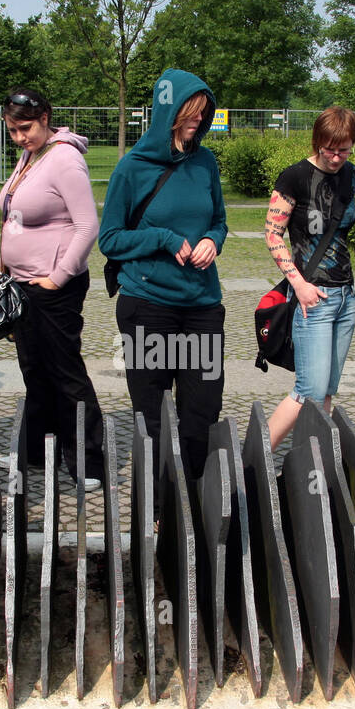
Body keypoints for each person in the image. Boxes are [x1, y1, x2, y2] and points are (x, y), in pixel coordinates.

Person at [99, 68, 227, 479]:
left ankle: (191, 503)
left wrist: (213, 239)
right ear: (167, 111)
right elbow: (110, 239)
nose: (197, 121)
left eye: (203, 114)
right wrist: (163, 239)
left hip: (201, 306)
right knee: (151, 418)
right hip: (148, 309)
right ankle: (155, 507)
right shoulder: (132, 168)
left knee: (201, 413)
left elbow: (220, 220)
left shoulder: (206, 161)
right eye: (190, 112)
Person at [0, 87, 104, 489]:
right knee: (34, 372)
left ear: (45, 118)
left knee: (64, 372)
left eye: (25, 128)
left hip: (52, 288)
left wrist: (57, 277)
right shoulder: (31, 155)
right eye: (12, 131)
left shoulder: (64, 158)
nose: (20, 137)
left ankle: (88, 461)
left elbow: (87, 226)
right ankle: (42, 455)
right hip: (22, 286)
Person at [263, 106, 355, 450]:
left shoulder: (353, 176)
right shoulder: (295, 177)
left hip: (346, 297)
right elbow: (273, 234)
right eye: (329, 149)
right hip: (313, 297)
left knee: (327, 392)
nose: (336, 157)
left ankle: (310, 467)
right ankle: (250, 462)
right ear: (317, 142)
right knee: (308, 391)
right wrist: (299, 285)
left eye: (344, 149)